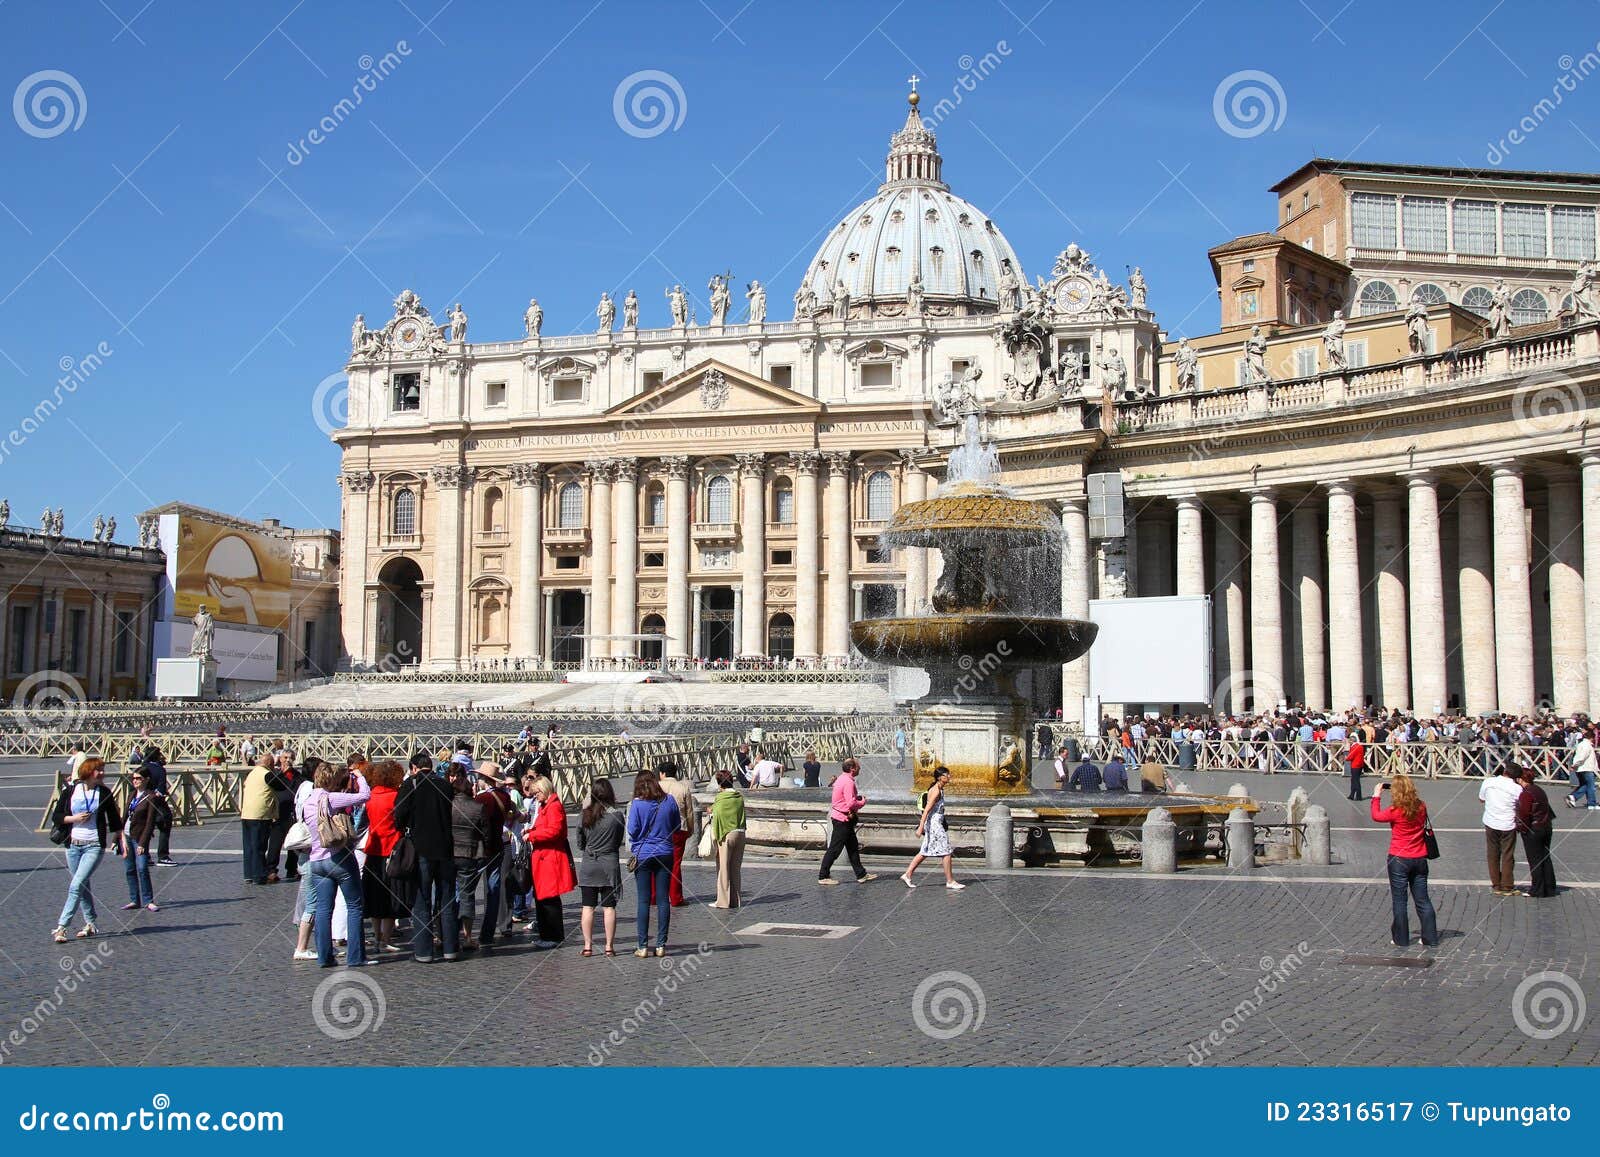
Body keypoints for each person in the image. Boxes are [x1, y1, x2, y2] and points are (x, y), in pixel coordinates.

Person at [300, 763, 371, 967]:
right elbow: (365, 796)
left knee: (323, 909)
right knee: (355, 906)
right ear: (331, 780)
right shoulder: (331, 798)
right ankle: (356, 957)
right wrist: (360, 776)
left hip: (316, 860)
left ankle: (324, 957)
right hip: (337, 858)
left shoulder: (309, 800)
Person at [394, 749, 459, 962]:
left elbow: (399, 816)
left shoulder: (410, 784)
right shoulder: (445, 785)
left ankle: (424, 952)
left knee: (422, 900)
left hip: (421, 848)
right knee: (447, 898)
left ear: (413, 768)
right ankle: (451, 949)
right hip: (445, 848)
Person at [51, 758, 122, 942]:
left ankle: (61, 927)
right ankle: (91, 923)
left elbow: (114, 818)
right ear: (89, 772)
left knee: (76, 886)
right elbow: (57, 816)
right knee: (82, 885)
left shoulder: (104, 792)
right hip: (73, 844)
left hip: (94, 845)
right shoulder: (71, 791)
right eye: (99, 770)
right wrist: (73, 818)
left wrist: (119, 838)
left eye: (103, 769)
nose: (103, 773)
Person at [1369, 774, 1439, 947]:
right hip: (1420, 857)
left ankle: (1401, 939)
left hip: (1399, 858)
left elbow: (1376, 816)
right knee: (1423, 900)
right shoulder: (1421, 806)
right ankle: (1430, 937)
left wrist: (1376, 795)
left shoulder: (1395, 810)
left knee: (1400, 901)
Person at [626, 767, 681, 956]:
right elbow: (677, 825)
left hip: (644, 854)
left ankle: (642, 946)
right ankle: (661, 945)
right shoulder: (669, 800)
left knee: (643, 900)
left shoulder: (637, 804)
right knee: (663, 899)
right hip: (665, 852)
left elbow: (632, 830)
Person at [361, 760, 407, 954]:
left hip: (373, 848)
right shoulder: (396, 797)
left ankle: (376, 935)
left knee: (374, 894)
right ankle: (386, 939)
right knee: (390, 896)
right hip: (391, 850)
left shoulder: (370, 797)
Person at [576, 777, 625, 954]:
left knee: (587, 907)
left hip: (589, 863)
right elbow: (620, 840)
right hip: (609, 863)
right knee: (609, 907)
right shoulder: (617, 816)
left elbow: (580, 842)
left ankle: (588, 945)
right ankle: (609, 946)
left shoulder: (584, 815)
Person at [526, 775, 576, 947]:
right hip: (543, 858)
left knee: (549, 899)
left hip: (549, 859)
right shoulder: (545, 806)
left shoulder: (554, 807)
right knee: (542, 899)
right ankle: (546, 935)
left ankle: (553, 937)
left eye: (536, 793)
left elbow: (554, 831)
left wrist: (532, 835)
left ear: (544, 790)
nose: (535, 796)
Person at [447, 763, 490, 951]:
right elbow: (485, 834)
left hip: (449, 853)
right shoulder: (478, 807)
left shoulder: (446, 805)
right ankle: (467, 936)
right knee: (467, 896)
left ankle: (444, 934)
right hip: (470, 854)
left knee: (446, 894)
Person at [900, 766, 964, 890]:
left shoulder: (939, 788)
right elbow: (926, 810)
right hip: (935, 825)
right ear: (940, 777)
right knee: (946, 851)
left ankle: (907, 874)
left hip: (934, 823)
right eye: (947, 774)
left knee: (925, 851)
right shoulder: (936, 791)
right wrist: (920, 827)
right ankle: (950, 881)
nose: (949, 776)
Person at [818, 757, 875, 884]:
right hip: (842, 819)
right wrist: (862, 802)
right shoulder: (848, 782)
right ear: (852, 768)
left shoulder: (842, 778)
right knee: (834, 849)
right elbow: (850, 803)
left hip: (843, 818)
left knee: (853, 847)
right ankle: (823, 876)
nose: (860, 768)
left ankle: (861, 874)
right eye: (858, 766)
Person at [1478, 762, 1523, 897]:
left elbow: (1481, 799)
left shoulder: (1488, 782)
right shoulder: (1517, 789)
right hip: (1508, 824)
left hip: (1490, 822)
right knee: (1508, 855)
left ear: (1504, 771)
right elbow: (1520, 805)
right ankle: (1507, 885)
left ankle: (1496, 884)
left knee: (1492, 854)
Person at [120, 767, 160, 912]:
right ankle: (134, 899)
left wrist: (143, 843)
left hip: (139, 837)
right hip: (126, 836)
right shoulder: (131, 795)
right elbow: (124, 817)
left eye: (138, 778)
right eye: (134, 778)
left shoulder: (151, 797)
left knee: (142, 867)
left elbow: (150, 823)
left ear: (146, 780)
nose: (135, 781)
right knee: (129, 869)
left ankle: (148, 900)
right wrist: (116, 838)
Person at [1514, 762, 1558, 898]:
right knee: (1545, 857)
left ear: (1521, 779)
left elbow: (1524, 813)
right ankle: (1549, 887)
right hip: (1546, 827)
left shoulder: (1526, 794)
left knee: (1535, 860)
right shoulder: (1539, 790)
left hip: (1533, 829)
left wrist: (1521, 828)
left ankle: (1537, 889)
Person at [657, 760, 696, 907]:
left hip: (659, 829)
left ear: (662, 773)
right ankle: (676, 897)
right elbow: (689, 812)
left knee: (657, 862)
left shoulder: (656, 787)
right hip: (679, 829)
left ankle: (655, 896)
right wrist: (690, 829)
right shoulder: (683, 788)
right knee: (675, 864)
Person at [707, 770, 746, 909]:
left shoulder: (720, 798)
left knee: (723, 868)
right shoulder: (739, 797)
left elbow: (717, 817)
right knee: (735, 869)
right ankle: (736, 900)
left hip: (726, 834)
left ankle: (723, 901)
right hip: (740, 833)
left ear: (719, 784)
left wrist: (710, 811)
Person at [240, 754, 277, 886]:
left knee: (248, 846)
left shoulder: (252, 773)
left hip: (246, 813)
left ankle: (248, 874)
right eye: (273, 765)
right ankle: (259, 875)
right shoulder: (267, 774)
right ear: (269, 764)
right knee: (259, 846)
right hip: (260, 814)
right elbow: (281, 786)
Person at [141, 746, 174, 864]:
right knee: (165, 826)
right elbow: (161, 789)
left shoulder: (142, 768)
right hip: (157, 803)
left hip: (143, 802)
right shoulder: (160, 769)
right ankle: (163, 856)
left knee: (146, 829)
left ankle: (145, 855)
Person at [1567, 726, 1598, 809]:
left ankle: (1576, 798)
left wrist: (1575, 766)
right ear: (1591, 738)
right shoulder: (1587, 745)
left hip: (1582, 768)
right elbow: (1582, 757)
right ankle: (1590, 803)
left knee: (1585, 785)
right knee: (1590, 786)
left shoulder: (1581, 744)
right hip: (1586, 768)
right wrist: (1575, 765)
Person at [1344, 734, 1367, 800]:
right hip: (1360, 764)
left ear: (1351, 741)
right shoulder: (1360, 746)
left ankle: (1358, 796)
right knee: (1354, 780)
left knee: (1355, 781)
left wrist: (1346, 758)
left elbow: (1351, 756)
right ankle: (1352, 794)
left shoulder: (1354, 747)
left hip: (1355, 765)